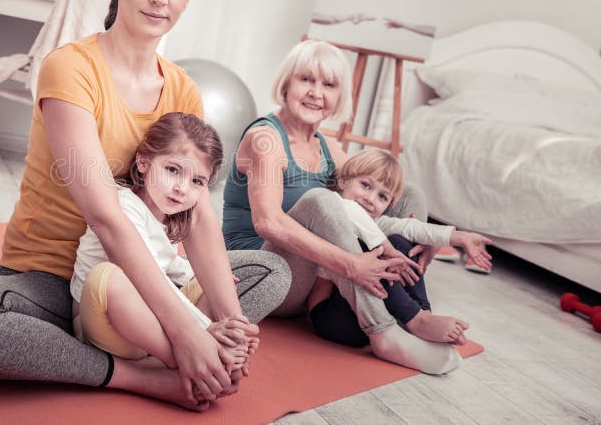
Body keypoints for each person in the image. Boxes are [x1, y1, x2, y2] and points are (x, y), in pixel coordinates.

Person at [0, 0, 289, 412]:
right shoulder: (70, 68)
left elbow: (198, 213)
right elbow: (104, 215)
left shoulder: (182, 88)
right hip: (53, 279)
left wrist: (227, 323)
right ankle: (143, 376)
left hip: (156, 277)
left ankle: (182, 344)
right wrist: (186, 334)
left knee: (270, 272)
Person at [222, 38, 461, 374]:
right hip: (265, 273)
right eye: (306, 79)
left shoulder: (325, 146)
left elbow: (371, 202)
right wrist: (351, 264)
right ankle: (385, 330)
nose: (316, 93)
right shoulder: (266, 139)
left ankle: (412, 307)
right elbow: (269, 223)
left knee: (408, 195)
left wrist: (427, 236)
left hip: (308, 274)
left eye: (329, 84)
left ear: (339, 98)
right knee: (322, 200)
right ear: (287, 83)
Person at [72, 112, 253, 371]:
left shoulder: (169, 217)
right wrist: (205, 327)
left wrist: (211, 289)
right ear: (144, 163)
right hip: (104, 325)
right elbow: (149, 276)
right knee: (109, 277)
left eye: (196, 181)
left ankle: (223, 343)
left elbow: (171, 265)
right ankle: (195, 351)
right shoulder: (123, 205)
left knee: (218, 280)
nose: (182, 188)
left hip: (151, 325)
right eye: (172, 170)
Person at [307, 148, 492, 347]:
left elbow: (410, 227)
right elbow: (345, 212)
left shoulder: (376, 223)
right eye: (365, 185)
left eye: (382, 197)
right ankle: (416, 320)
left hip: (370, 317)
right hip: (330, 319)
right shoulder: (330, 210)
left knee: (399, 241)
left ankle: (423, 313)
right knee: (371, 249)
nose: (370, 199)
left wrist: (459, 237)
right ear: (343, 181)